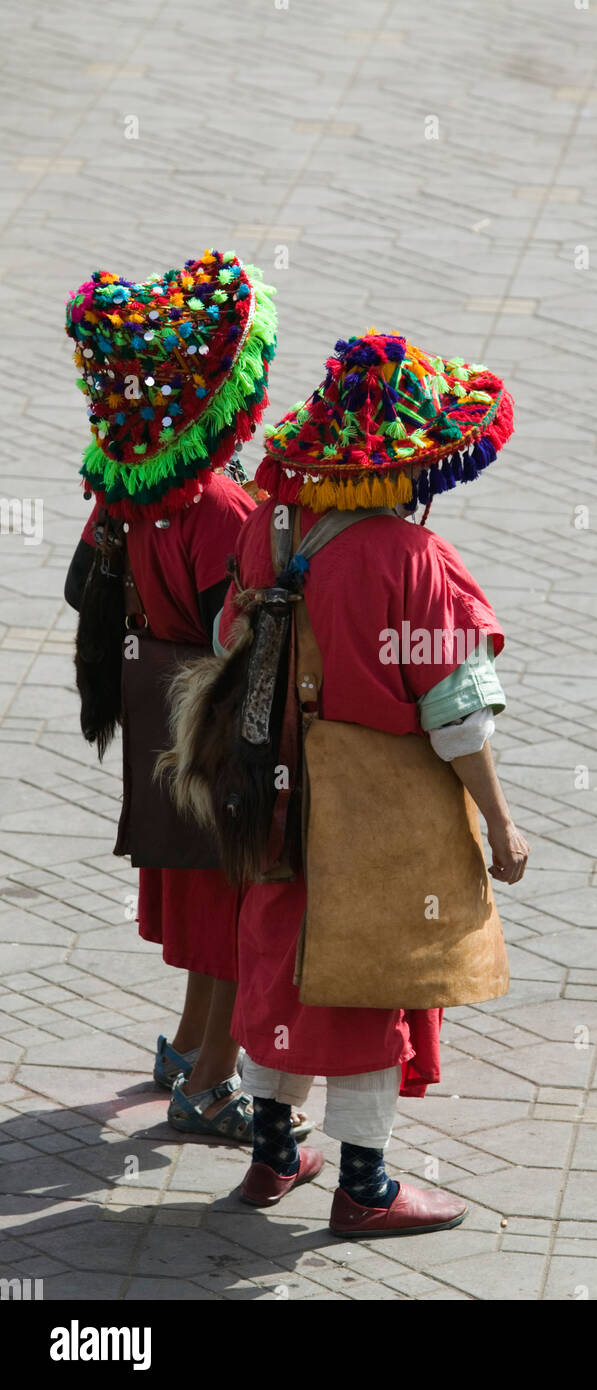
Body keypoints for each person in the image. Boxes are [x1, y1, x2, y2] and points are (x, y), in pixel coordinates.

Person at [217, 332, 529, 1235]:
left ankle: (273, 1156)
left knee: (281, 963)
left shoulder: (267, 526)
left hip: (272, 798)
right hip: (375, 815)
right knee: (368, 983)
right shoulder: (412, 561)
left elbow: (223, 649)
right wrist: (501, 826)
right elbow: (459, 716)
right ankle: (367, 1185)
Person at [62, 250, 310, 1142]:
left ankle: (192, 1045)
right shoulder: (223, 511)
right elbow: (234, 640)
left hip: (150, 717)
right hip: (209, 732)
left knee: (205, 905)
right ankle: (208, 1084)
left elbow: (76, 590)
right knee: (236, 909)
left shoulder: (123, 488)